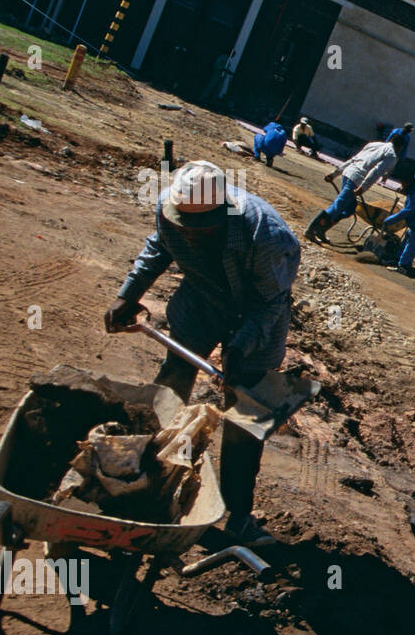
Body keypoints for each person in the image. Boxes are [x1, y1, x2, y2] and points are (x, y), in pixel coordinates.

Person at [103, 161, 301, 546]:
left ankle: (238, 516)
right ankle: (139, 474)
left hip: (258, 313)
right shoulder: (170, 209)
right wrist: (128, 295)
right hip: (202, 298)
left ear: (223, 215)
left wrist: (242, 348)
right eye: (183, 226)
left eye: (200, 230)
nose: (189, 237)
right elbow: (157, 249)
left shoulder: (267, 236)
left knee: (247, 411)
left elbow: (269, 304)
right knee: (172, 380)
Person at [306, 132, 405, 242]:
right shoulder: (392, 156)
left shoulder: (374, 144)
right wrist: (363, 187)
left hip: (348, 172)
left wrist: (335, 173)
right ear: (400, 147)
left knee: (349, 208)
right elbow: (376, 172)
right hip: (356, 179)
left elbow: (354, 159)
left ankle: (321, 230)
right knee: (338, 205)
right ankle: (311, 230)